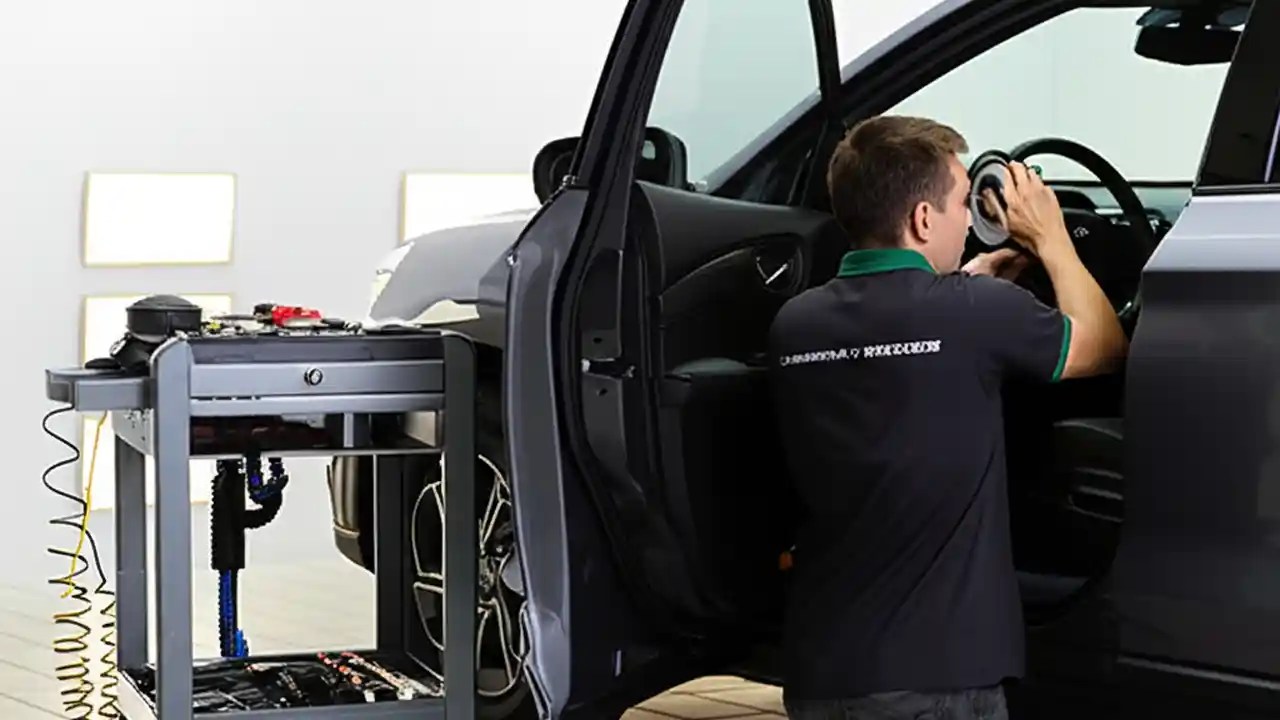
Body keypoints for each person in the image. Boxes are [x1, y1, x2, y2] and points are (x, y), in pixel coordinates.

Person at [768, 115, 1128, 720]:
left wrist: (966, 290)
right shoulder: (976, 314)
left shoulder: (794, 324)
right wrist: (1052, 238)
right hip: (938, 675)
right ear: (923, 219)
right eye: (963, 202)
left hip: (820, 670)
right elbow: (1105, 346)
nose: (969, 219)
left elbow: (904, 350)